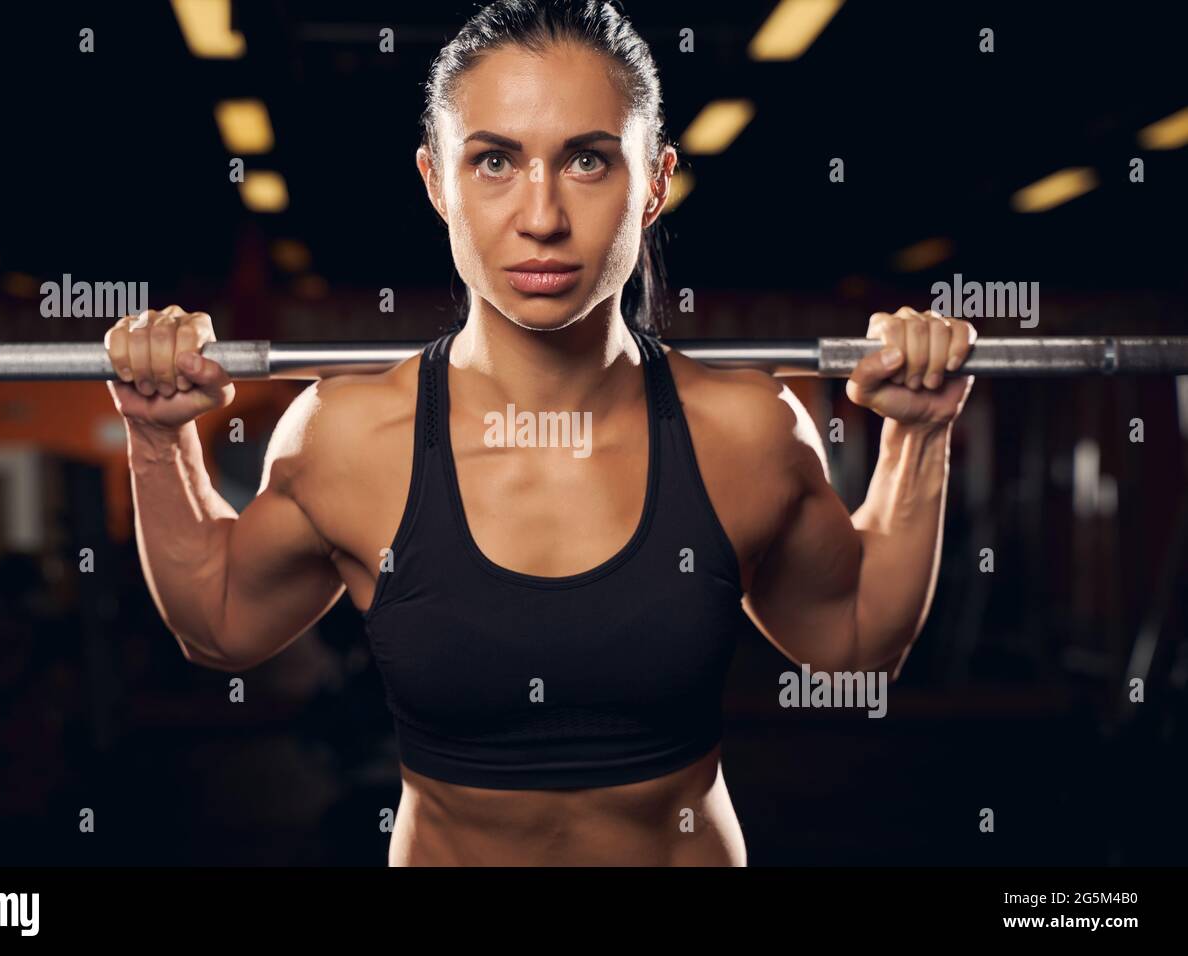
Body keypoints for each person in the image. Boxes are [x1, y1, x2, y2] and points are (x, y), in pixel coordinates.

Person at [103, 0, 976, 866]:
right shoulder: (350, 436)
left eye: (589, 160)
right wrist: (155, 437)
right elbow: (219, 624)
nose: (543, 217)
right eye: (493, 161)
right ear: (436, 181)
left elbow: (858, 640)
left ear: (657, 183)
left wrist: (920, 435)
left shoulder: (742, 430)